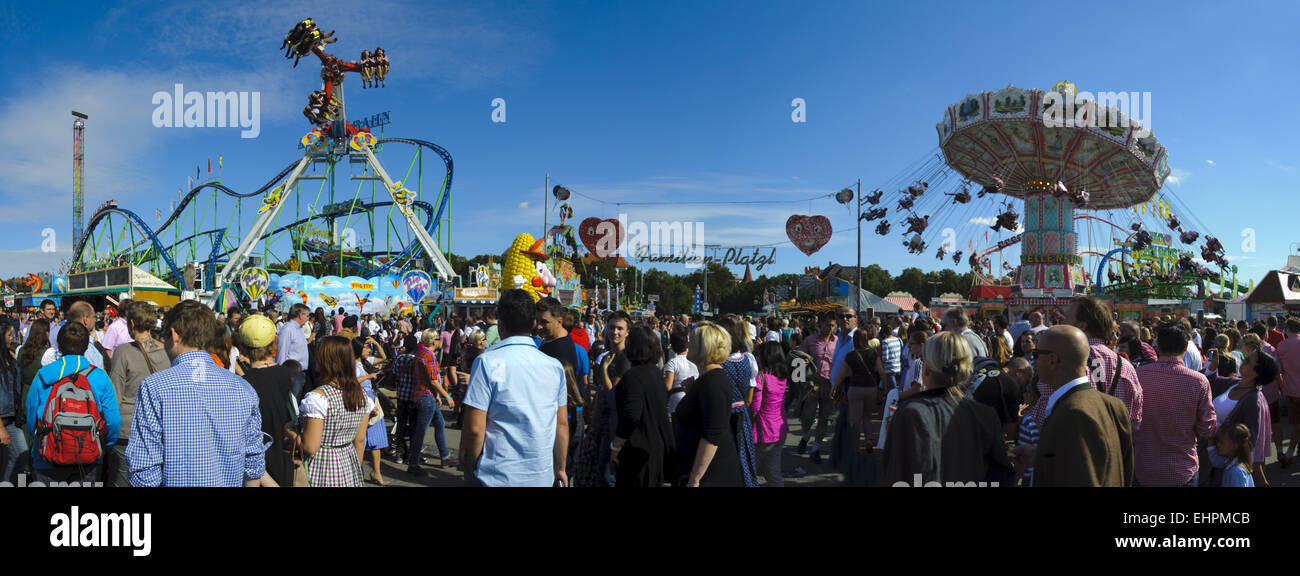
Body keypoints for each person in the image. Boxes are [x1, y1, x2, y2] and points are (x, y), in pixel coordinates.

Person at [127, 300, 274, 487]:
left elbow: (144, 468)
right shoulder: (243, 388)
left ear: (174, 334)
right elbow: (253, 464)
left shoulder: (154, 387)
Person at [461, 289, 568, 487]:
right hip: (541, 476)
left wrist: (471, 465)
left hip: (496, 476)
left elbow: (475, 428)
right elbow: (561, 424)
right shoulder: (554, 367)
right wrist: (560, 467)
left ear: (501, 325)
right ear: (534, 324)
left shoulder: (487, 362)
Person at [879, 331, 1012, 486]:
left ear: (927, 368)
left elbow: (897, 475)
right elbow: (1000, 475)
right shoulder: (986, 414)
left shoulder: (911, 413)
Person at [1010, 326, 1132, 486]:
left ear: (1052, 360)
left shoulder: (1073, 413)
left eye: (1037, 355)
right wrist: (1041, 455)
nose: (1035, 361)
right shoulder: (1114, 405)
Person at [25, 321, 120, 484]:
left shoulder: (43, 375)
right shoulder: (99, 377)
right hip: (88, 455)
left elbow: (31, 415)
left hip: (47, 457)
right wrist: (103, 446)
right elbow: (113, 422)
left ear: (59, 345)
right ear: (85, 347)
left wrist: (40, 441)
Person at [1133, 321, 1217, 486]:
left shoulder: (1138, 375)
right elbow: (1208, 429)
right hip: (1182, 470)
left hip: (1144, 469)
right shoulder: (1198, 381)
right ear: (1185, 347)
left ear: (1157, 346)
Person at [104, 301, 169, 487]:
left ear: (131, 324)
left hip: (128, 427)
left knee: (122, 480)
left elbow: (115, 392)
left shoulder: (123, 351)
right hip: (157, 426)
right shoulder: (166, 351)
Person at [674, 322, 742, 486]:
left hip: (712, 475)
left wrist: (695, 479)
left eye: (692, 340)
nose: (687, 343)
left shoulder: (713, 382)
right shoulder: (707, 379)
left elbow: (712, 435)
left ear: (705, 347)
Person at [299, 336, 371, 487]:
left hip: (322, 466)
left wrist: (290, 433)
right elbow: (359, 439)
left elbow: (311, 446)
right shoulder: (361, 394)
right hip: (348, 463)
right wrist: (356, 470)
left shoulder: (318, 398)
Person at [235, 315, 298, 488]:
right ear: (275, 343)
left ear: (243, 348)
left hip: (253, 470)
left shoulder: (242, 384)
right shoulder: (291, 377)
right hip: (286, 461)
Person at [611, 326, 674, 487]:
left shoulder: (633, 376)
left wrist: (616, 446)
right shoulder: (655, 373)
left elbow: (631, 415)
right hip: (655, 448)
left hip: (637, 451)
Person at [1066, 297, 1142, 429]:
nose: (1062, 322)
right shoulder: (1125, 366)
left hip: (1079, 444)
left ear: (1081, 326)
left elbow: (1045, 415)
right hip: (1115, 445)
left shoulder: (1068, 360)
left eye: (1067, 319)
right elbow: (1135, 418)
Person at [1218, 350, 1274, 487]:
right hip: (1221, 459)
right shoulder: (1237, 383)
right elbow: (1212, 379)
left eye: (1247, 360)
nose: (1243, 360)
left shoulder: (1253, 401)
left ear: (1256, 372)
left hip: (1228, 463)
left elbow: (1249, 442)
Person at [717, 315, 759, 486]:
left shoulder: (718, 362)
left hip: (723, 416)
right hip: (742, 416)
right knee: (744, 459)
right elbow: (749, 396)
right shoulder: (748, 359)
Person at [407, 330, 456, 476]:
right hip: (425, 396)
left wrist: (437, 395)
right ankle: (413, 463)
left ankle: (445, 457)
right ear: (433, 341)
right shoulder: (428, 355)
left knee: (439, 423)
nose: (440, 341)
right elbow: (433, 380)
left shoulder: (421, 352)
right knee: (421, 431)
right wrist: (447, 396)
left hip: (425, 394)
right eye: (438, 338)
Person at [832, 329, 883, 454]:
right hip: (871, 388)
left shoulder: (850, 355)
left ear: (854, 340)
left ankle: (855, 446)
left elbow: (842, 374)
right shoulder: (873, 354)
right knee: (867, 416)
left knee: (855, 419)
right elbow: (881, 371)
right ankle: (869, 440)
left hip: (855, 388)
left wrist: (834, 387)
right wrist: (884, 387)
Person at [797, 313, 837, 463]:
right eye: (828, 324)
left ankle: (816, 448)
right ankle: (805, 436)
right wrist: (801, 379)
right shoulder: (810, 340)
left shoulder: (837, 342)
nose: (830, 328)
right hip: (812, 383)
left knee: (824, 418)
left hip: (830, 384)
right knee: (807, 416)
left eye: (833, 325)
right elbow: (799, 357)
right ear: (821, 324)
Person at [752, 341, 788, 486]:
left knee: (747, 467)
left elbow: (755, 406)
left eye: (759, 354)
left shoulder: (761, 376)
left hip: (763, 430)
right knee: (772, 472)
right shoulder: (782, 376)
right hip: (780, 428)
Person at [42, 301, 104, 369]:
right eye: (93, 317)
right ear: (85, 319)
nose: (95, 320)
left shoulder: (61, 336)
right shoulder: (90, 349)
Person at [0, 322, 25, 483]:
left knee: (21, 454)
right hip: (2, 421)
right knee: (18, 454)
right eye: (9, 335)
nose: (12, 338)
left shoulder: (10, 357)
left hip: (12, 418)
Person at [1275, 317, 1300, 465]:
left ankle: (1290, 451)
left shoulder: (1282, 346)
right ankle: (1291, 450)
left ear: (1288, 329)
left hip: (1290, 390)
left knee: (1295, 423)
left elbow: (1279, 370)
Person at [276, 304, 312, 400]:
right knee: (291, 404)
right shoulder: (288, 329)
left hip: (299, 374)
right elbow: (281, 353)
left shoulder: (298, 329)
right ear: (300, 315)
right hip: (291, 374)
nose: (308, 319)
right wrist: (282, 375)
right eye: (307, 316)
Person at [663, 329, 696, 416]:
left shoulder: (672, 363)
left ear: (673, 346)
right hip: (693, 399)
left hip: (676, 401)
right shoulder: (695, 360)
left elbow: (668, 386)